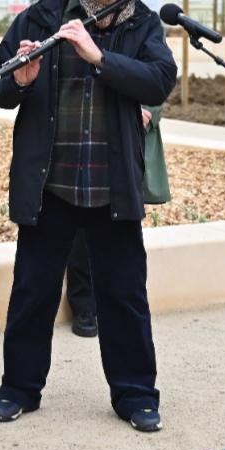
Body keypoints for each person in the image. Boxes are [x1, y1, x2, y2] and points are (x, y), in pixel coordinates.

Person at [0, 0, 176, 432]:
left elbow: (159, 80)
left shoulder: (142, 23)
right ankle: (19, 388)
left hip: (113, 184)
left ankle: (135, 395)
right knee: (32, 292)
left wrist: (100, 57)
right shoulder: (42, 18)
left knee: (125, 295)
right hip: (52, 184)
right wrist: (18, 82)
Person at [63, 104, 170, 338]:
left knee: (124, 230)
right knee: (81, 223)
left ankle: (119, 307)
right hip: (87, 136)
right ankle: (84, 306)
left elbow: (160, 74)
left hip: (129, 139)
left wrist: (149, 112)